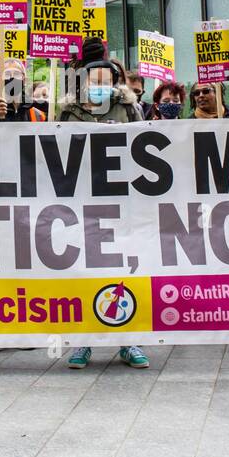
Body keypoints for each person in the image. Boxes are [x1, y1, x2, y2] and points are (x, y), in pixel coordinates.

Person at [58, 59, 149, 370]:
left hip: (121, 199)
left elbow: (143, 141)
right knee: (84, 268)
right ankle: (83, 342)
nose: (99, 84)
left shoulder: (128, 107)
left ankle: (128, 340)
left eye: (105, 79)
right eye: (93, 79)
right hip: (82, 200)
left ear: (115, 81)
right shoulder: (69, 111)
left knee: (122, 268)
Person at [0, 58, 46, 122]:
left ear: (24, 80)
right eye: (7, 74)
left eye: (16, 74)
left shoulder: (38, 115)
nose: (12, 78)